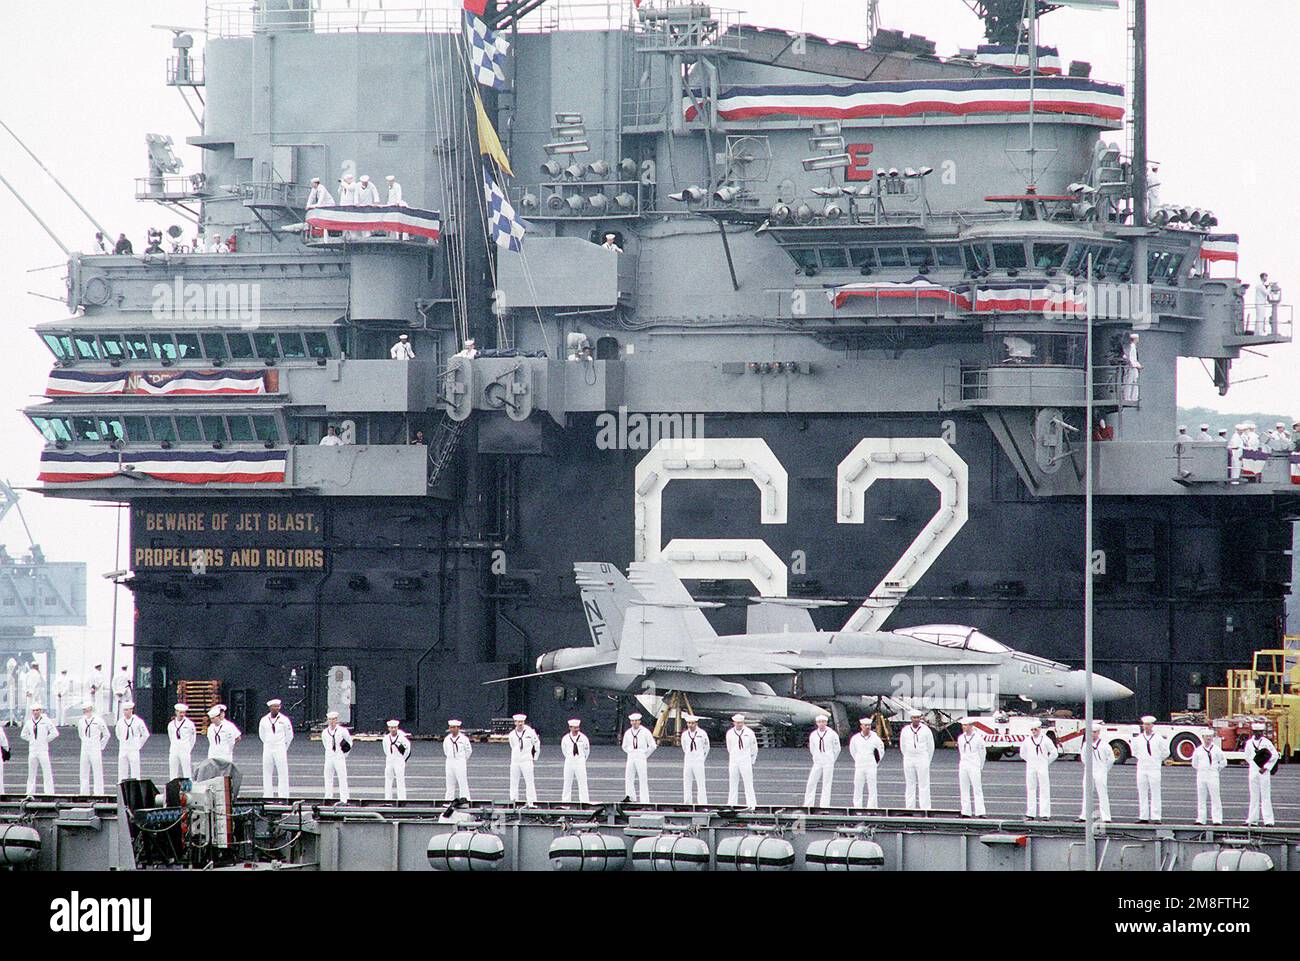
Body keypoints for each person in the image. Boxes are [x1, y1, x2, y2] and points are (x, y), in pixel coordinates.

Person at [1131, 715, 1169, 823]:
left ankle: (1156, 816)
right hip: (1142, 768)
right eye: (1145, 724)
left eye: (1148, 724)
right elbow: (1134, 752)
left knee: (1155, 792)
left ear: (1152, 725)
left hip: (1154, 768)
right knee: (1142, 792)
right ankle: (1143, 817)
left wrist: (1156, 760)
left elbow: (1166, 752)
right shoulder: (1138, 739)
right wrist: (1143, 759)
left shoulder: (1158, 738)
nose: (1146, 727)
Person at [1019, 719, 1058, 819]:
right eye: (1032, 730)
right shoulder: (1027, 740)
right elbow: (1022, 753)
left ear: (1040, 729)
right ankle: (1030, 813)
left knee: (1044, 789)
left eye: (1035, 729)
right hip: (1031, 766)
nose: (1033, 731)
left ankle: (1045, 813)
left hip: (1042, 766)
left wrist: (1046, 762)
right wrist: (1030, 760)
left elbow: (1054, 753)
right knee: (1031, 789)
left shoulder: (1045, 740)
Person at [1244, 722, 1278, 826]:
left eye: (1260, 732)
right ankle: (1253, 819)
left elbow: (1275, 755)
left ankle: (1268, 820)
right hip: (1253, 770)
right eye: (1256, 732)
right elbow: (1247, 756)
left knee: (1265, 796)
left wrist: (1266, 766)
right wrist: (1254, 764)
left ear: (1262, 732)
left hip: (1264, 771)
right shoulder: (1249, 743)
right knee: (1253, 796)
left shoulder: (1266, 742)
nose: (1258, 733)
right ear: (1253, 732)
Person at [803, 713, 841, 807]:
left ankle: (824, 805)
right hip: (818, 760)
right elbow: (812, 748)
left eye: (823, 722)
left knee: (826, 783)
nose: (821, 724)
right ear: (817, 723)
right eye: (819, 722)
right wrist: (816, 756)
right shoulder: (813, 735)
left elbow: (837, 748)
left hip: (828, 760)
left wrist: (832, 758)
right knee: (811, 782)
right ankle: (808, 803)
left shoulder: (832, 734)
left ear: (826, 723)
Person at [258, 698, 294, 798]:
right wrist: (268, 743)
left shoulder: (284, 720)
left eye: (278, 706)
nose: (276, 708)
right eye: (274, 706)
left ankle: (283, 795)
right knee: (267, 772)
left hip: (280, 748)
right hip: (268, 748)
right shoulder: (264, 720)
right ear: (270, 708)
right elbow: (261, 734)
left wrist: (284, 746)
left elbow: (289, 735)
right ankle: (268, 795)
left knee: (282, 772)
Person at [899, 709, 934, 811]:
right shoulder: (905, 730)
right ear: (911, 719)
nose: (916, 720)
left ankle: (925, 808)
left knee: (924, 784)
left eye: (918, 718)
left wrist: (927, 760)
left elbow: (930, 746)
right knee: (910, 784)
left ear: (920, 718)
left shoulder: (926, 730)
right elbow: (903, 746)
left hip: (922, 758)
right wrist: (907, 756)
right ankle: (909, 808)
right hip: (909, 758)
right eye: (914, 718)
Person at [1079, 722, 1114, 822]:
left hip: (1100, 770)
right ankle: (1084, 815)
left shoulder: (1105, 745)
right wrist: (1089, 767)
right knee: (1087, 793)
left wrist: (1105, 769)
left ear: (1098, 733)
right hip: (1089, 771)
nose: (1092, 734)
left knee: (1102, 793)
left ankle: (1106, 816)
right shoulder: (1086, 744)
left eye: (1094, 732)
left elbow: (1111, 759)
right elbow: (1083, 757)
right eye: (1091, 732)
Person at [1190, 730, 1226, 825]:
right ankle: (1201, 819)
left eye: (1210, 736)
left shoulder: (1217, 749)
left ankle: (1217, 819)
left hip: (1212, 775)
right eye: (1207, 736)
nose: (1208, 738)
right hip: (1202, 775)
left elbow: (1223, 762)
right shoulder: (1198, 750)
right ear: (1203, 737)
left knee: (1215, 797)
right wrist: (1202, 769)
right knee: (1201, 797)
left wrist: (1216, 769)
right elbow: (1194, 763)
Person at [849, 716, 884, 809]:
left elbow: (881, 751)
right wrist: (858, 759)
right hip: (860, 765)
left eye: (869, 725)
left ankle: (871, 807)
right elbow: (853, 750)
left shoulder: (875, 738)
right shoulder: (855, 738)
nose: (867, 727)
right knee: (858, 787)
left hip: (871, 765)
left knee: (872, 787)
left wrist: (876, 762)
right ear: (861, 726)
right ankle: (857, 807)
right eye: (865, 725)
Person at [955, 717, 987, 817]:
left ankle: (980, 812)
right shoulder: (961, 738)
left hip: (974, 765)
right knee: (964, 788)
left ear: (971, 726)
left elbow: (982, 753)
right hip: (964, 764)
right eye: (963, 725)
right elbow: (961, 752)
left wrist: (980, 765)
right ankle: (965, 811)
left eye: (965, 725)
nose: (964, 727)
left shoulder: (978, 738)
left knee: (977, 789)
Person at [22, 704, 58, 794]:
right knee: (31, 773)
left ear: (40, 711)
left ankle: (49, 793)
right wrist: (31, 739)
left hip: (43, 750)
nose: (35, 712)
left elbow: (54, 733)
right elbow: (23, 734)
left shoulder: (46, 721)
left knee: (47, 771)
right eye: (34, 711)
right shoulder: (29, 722)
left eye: (37, 710)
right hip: (33, 750)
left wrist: (46, 740)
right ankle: (30, 792)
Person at [725, 713, 758, 809]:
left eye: (740, 723)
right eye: (737, 723)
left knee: (748, 783)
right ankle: (732, 804)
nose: (739, 724)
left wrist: (751, 761)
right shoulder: (730, 733)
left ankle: (752, 805)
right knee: (733, 783)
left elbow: (754, 747)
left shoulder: (749, 732)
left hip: (745, 760)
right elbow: (729, 747)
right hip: (734, 760)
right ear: (734, 722)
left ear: (743, 722)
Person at [621, 712, 656, 803]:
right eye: (632, 721)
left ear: (639, 721)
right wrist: (630, 751)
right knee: (629, 777)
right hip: (631, 756)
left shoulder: (645, 732)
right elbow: (624, 746)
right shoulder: (628, 732)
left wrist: (645, 754)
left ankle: (645, 800)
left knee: (643, 778)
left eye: (636, 721)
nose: (634, 723)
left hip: (641, 756)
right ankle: (630, 797)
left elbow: (653, 745)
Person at [508, 713, 541, 806]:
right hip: (515, 761)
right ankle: (513, 801)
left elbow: (536, 744)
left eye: (521, 722)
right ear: (515, 723)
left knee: (529, 782)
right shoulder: (512, 735)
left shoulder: (530, 732)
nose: (520, 723)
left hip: (527, 760)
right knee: (513, 782)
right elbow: (513, 746)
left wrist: (534, 757)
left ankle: (531, 801)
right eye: (518, 722)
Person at [78, 701, 110, 794]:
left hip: (95, 747)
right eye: (84, 709)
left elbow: (106, 734)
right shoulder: (81, 721)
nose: (86, 711)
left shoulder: (98, 720)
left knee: (97, 771)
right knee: (83, 771)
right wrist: (85, 742)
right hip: (85, 747)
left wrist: (101, 746)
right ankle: (84, 792)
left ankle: (99, 793)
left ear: (91, 709)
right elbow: (81, 734)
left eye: (87, 709)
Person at [322, 710, 352, 803]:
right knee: (328, 777)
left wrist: (344, 754)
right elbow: (325, 744)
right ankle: (328, 797)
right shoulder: (325, 732)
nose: (331, 721)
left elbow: (349, 743)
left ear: (336, 720)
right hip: (329, 757)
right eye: (330, 719)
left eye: (333, 719)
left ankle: (344, 798)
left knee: (342, 778)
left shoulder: (343, 731)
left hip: (339, 757)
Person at [115, 701, 149, 783]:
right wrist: (123, 742)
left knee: (135, 771)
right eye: (124, 710)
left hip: (133, 749)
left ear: (131, 710)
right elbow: (118, 734)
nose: (126, 712)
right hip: (123, 749)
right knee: (122, 771)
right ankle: (123, 790)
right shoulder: (120, 722)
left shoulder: (138, 721)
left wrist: (138, 745)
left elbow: (145, 734)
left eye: (127, 710)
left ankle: (136, 791)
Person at [680, 714, 709, 804]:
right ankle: (687, 802)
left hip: (698, 760)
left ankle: (702, 803)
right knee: (687, 782)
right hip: (688, 760)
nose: (690, 725)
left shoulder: (702, 733)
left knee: (700, 783)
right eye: (689, 723)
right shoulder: (685, 734)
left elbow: (706, 747)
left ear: (696, 723)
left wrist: (701, 758)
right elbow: (684, 747)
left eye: (692, 723)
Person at [560, 718, 591, 804]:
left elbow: (586, 751)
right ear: (570, 728)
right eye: (574, 728)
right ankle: (565, 802)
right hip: (569, 761)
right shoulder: (565, 738)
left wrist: (581, 759)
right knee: (567, 782)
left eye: (577, 727)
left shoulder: (584, 738)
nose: (577, 729)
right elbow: (564, 750)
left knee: (583, 782)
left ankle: (585, 802)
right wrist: (570, 758)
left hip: (580, 761)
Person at [443, 718, 472, 800]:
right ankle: (448, 800)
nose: (452, 729)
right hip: (450, 761)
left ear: (458, 728)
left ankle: (465, 799)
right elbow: (445, 750)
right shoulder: (447, 739)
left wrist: (462, 759)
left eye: (454, 727)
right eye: (450, 727)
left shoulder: (463, 739)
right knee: (449, 783)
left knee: (462, 782)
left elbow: (468, 751)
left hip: (460, 762)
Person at [382, 719, 410, 801]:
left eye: (395, 727)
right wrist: (390, 757)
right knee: (388, 780)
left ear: (397, 728)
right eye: (391, 728)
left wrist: (402, 759)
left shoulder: (402, 738)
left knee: (400, 780)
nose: (393, 729)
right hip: (390, 760)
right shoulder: (386, 738)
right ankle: (388, 799)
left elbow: (407, 750)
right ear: (389, 728)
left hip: (399, 760)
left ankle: (402, 799)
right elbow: (385, 749)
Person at [167, 703, 197, 781]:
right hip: (174, 749)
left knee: (187, 771)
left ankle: (189, 788)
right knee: (173, 771)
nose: (182, 714)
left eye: (183, 712)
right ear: (176, 712)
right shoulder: (171, 724)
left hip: (185, 749)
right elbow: (171, 737)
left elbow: (193, 738)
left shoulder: (189, 724)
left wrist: (188, 748)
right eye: (180, 712)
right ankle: (173, 789)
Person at [1122, 332, 1141, 403]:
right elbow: (1130, 358)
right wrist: (1136, 365)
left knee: (1134, 382)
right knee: (1130, 382)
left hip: (1133, 367)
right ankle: (1128, 397)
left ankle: (1133, 397)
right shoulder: (1132, 347)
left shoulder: (1133, 347)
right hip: (1131, 367)